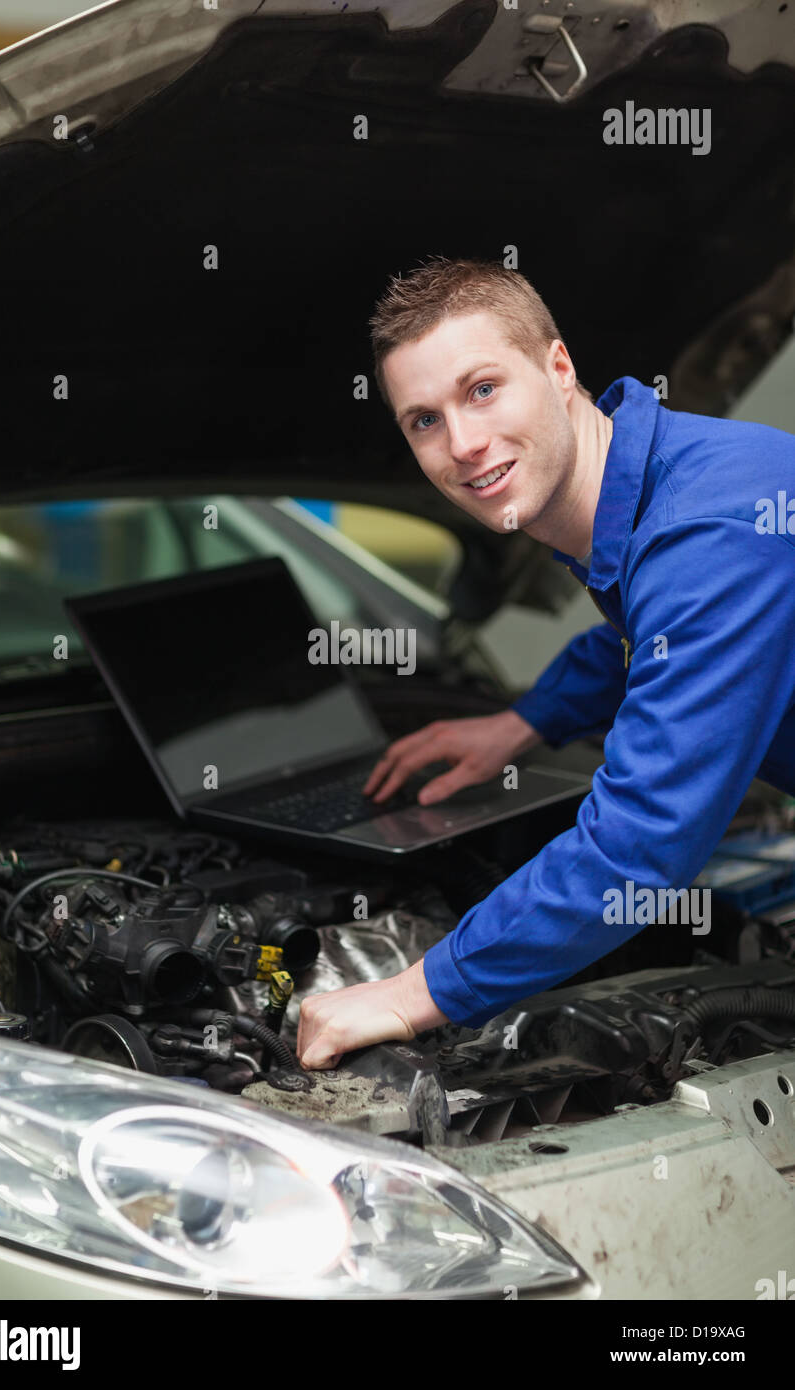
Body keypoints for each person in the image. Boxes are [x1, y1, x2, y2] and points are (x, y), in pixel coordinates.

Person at [296, 255, 795, 1070]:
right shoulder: (650, 488)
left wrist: (411, 993)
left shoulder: (712, 530)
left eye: (482, 389)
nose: (463, 443)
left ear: (557, 367)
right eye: (424, 420)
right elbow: (646, 631)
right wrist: (522, 721)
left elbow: (640, 846)